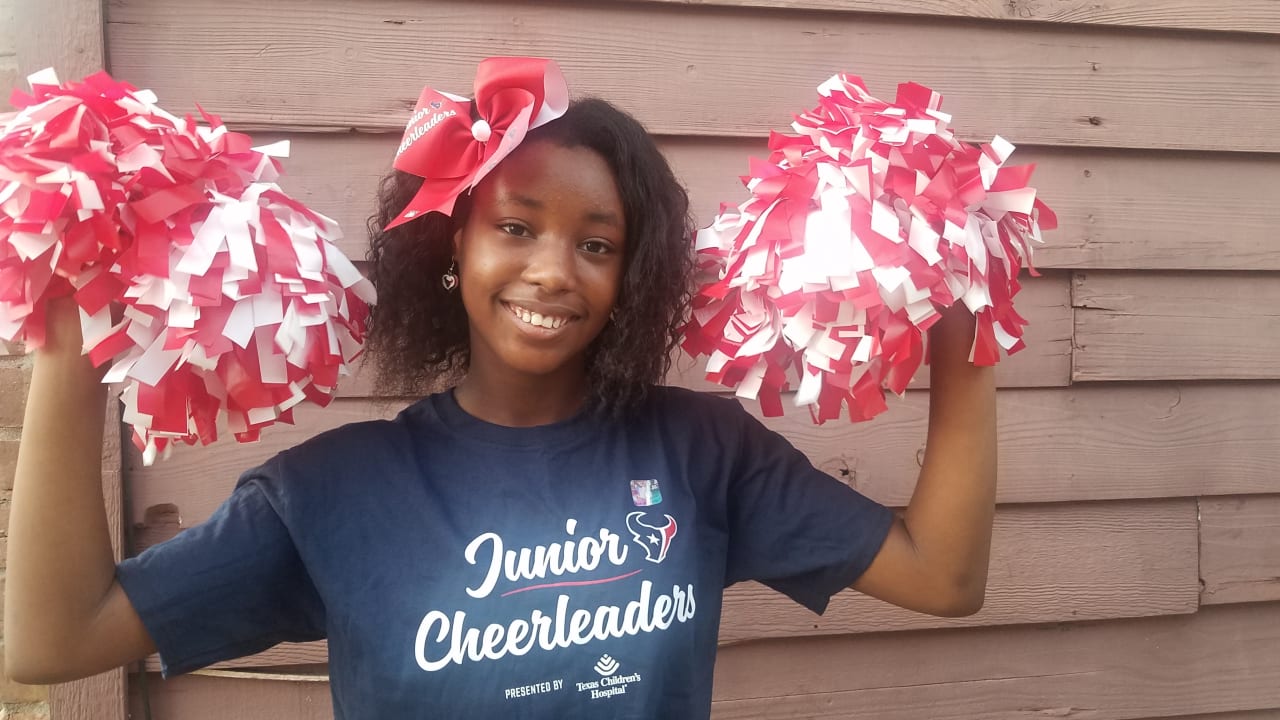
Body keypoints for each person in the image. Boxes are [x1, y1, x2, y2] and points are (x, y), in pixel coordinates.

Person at [4, 60, 996, 718]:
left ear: (632, 279)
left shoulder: (703, 452)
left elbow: (940, 577)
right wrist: (71, 334)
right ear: (450, 246)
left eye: (596, 244)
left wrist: (957, 313)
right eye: (515, 227)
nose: (554, 270)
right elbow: (52, 640)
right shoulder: (331, 492)